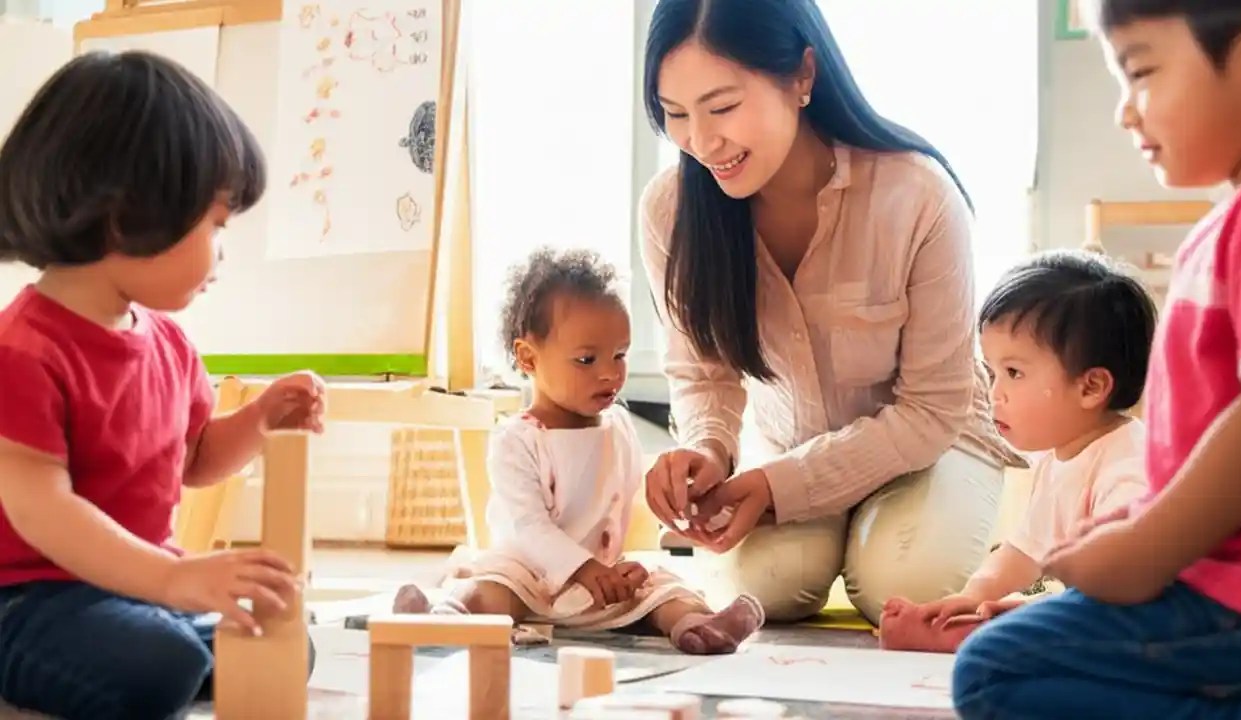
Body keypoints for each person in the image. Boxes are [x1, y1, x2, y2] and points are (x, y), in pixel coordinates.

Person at [636, 0, 1023, 624]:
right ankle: (839, 531)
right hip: (792, 444)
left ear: (802, 77)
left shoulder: (917, 195)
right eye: (676, 114)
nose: (702, 142)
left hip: (935, 443)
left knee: (903, 586)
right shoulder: (671, 210)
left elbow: (932, 409)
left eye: (723, 106)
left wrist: (778, 487)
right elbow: (703, 375)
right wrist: (707, 454)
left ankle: (986, 543)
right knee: (765, 590)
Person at [952, 2, 1241, 717]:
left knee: (996, 671)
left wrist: (1144, 549)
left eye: (1141, 73)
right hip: (1222, 582)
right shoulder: (1227, 225)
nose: (1125, 115)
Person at [0, 51, 325, 720]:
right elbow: (42, 510)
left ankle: (162, 629)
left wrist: (261, 421)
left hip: (135, 586)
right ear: (125, 218)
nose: (221, 249)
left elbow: (194, 459)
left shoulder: (170, 343)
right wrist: (175, 580)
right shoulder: (22, 351)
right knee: (161, 668)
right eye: (214, 224)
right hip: (31, 596)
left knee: (283, 639)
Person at [393, 247, 764, 654]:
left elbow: (625, 501)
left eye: (620, 355)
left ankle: (699, 626)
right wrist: (581, 569)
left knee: (663, 587)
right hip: (530, 575)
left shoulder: (619, 426)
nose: (610, 373)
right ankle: (443, 616)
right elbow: (529, 527)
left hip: (601, 577)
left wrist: (680, 513)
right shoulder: (517, 440)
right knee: (491, 587)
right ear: (528, 358)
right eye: (586, 359)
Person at [878, 250, 1156, 654]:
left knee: (1031, 629)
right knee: (1015, 618)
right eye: (992, 372)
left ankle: (974, 637)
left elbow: (1126, 585)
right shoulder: (1058, 458)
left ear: (1091, 387)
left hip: (1142, 623)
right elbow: (1022, 550)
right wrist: (972, 596)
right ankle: (977, 630)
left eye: (1014, 373)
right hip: (1095, 609)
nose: (996, 393)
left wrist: (1033, 606)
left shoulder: (1128, 467)